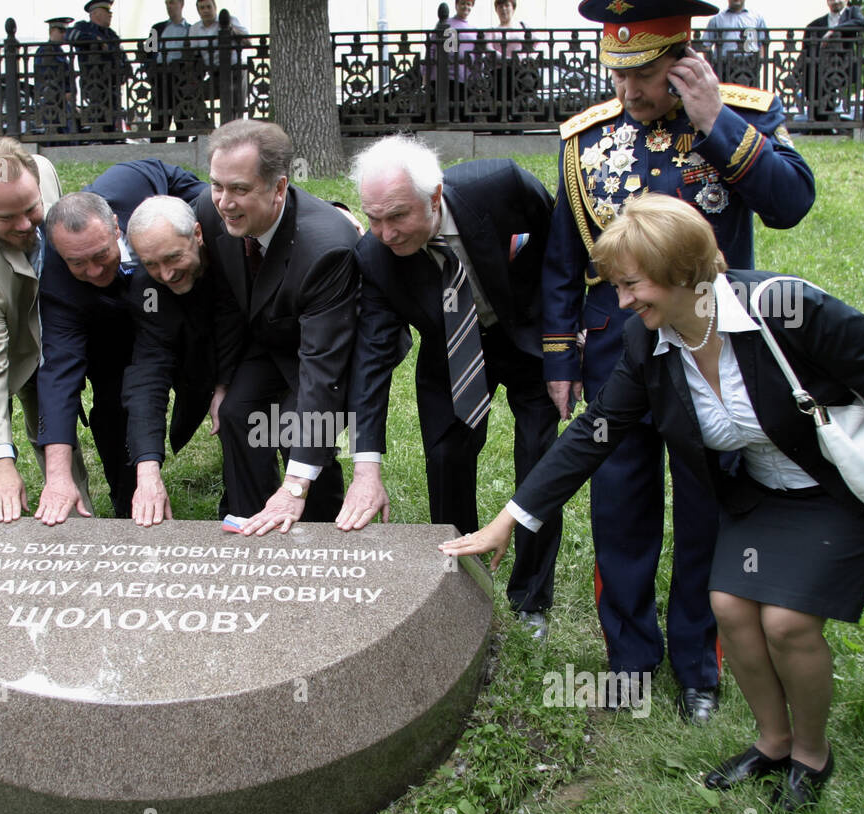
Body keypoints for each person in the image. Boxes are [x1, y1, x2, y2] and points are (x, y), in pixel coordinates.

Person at [443, 193, 864, 810]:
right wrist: (510, 519)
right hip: (763, 490)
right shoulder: (646, 343)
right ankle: (772, 742)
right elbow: (594, 432)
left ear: (683, 271)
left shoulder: (784, 307)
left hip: (841, 486)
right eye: (616, 286)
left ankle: (812, 757)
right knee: (731, 610)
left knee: (787, 623)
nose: (622, 301)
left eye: (631, 285)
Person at [543, 0, 815, 724]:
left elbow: (791, 203)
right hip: (616, 356)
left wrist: (717, 120)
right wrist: (559, 359)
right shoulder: (587, 141)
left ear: (685, 57)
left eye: (649, 74)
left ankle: (700, 665)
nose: (630, 92)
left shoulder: (740, 118)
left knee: (708, 509)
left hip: (710, 352)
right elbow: (563, 260)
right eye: (619, 73)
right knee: (620, 511)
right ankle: (630, 661)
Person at [340, 136, 559, 637]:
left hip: (524, 334)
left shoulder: (501, 184)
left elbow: (557, 240)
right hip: (450, 349)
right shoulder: (373, 257)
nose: (385, 232)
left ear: (434, 197)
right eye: (373, 218)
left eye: (397, 216)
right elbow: (371, 363)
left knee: (538, 459)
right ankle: (460, 585)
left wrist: (565, 334)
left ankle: (530, 599)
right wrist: (366, 466)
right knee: (445, 460)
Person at [198, 119, 360, 533]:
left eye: (239, 189)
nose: (224, 202)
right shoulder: (210, 210)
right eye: (218, 185)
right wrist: (222, 382)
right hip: (270, 334)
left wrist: (294, 485)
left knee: (295, 425)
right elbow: (227, 303)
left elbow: (322, 372)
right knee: (237, 413)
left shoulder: (327, 247)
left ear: (279, 188)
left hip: (332, 346)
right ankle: (250, 520)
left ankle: (321, 523)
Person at [35, 159, 207, 524]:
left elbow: (188, 185)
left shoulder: (129, 184)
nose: (95, 271)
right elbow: (59, 375)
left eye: (101, 255)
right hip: (108, 332)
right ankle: (133, 505)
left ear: (117, 226)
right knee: (114, 409)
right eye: (78, 263)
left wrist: (202, 213)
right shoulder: (58, 282)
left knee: (214, 385)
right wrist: (58, 474)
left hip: (174, 303)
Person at [0, 137, 90, 524]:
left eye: (31, 209)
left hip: (48, 334)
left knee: (56, 433)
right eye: (8, 218)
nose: (26, 224)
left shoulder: (41, 171)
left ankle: (80, 527)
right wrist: (0, 458)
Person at [121, 194, 225, 527]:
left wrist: (226, 384)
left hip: (255, 343)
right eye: (151, 264)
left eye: (172, 257)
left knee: (243, 413)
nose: (165, 274)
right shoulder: (148, 291)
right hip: (191, 354)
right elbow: (149, 370)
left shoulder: (232, 244)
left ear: (197, 234)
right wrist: (148, 467)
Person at [67, 0, 128, 140]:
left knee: (113, 119)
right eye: (106, 12)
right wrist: (96, 40)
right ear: (95, 13)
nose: (110, 15)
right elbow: (70, 36)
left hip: (112, 84)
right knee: (98, 118)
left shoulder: (111, 34)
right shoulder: (84, 27)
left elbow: (120, 54)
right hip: (94, 84)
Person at [803, 0, 864, 121]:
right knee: (820, 112)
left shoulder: (852, 14)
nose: (836, 1)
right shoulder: (814, 25)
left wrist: (834, 30)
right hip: (822, 74)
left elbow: (860, 22)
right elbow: (807, 53)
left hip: (844, 71)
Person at [188, 0, 248, 119]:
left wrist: (231, 29)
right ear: (198, 11)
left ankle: (234, 129)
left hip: (235, 70)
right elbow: (194, 54)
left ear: (215, 8)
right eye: (202, 8)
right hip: (215, 73)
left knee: (235, 104)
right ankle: (205, 128)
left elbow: (247, 41)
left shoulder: (231, 19)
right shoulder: (195, 29)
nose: (205, 10)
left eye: (208, 7)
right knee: (191, 93)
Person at [147, 0, 194, 142]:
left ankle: (182, 146)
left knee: (183, 115)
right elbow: (148, 53)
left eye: (172, 3)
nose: (169, 6)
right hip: (161, 74)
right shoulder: (157, 28)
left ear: (181, 4)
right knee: (159, 116)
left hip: (181, 76)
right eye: (167, 3)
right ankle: (156, 149)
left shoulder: (190, 30)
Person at [34, 17, 77, 136]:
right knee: (57, 134)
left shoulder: (59, 51)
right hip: (51, 101)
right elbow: (46, 77)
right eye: (61, 31)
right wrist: (64, 92)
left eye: (66, 32)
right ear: (51, 31)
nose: (64, 35)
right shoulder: (45, 50)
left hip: (61, 101)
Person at [701, 0, 769, 59]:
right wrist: (712, 66)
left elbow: (763, 43)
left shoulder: (757, 18)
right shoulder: (716, 20)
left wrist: (760, 63)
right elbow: (706, 45)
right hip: (724, 66)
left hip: (750, 66)